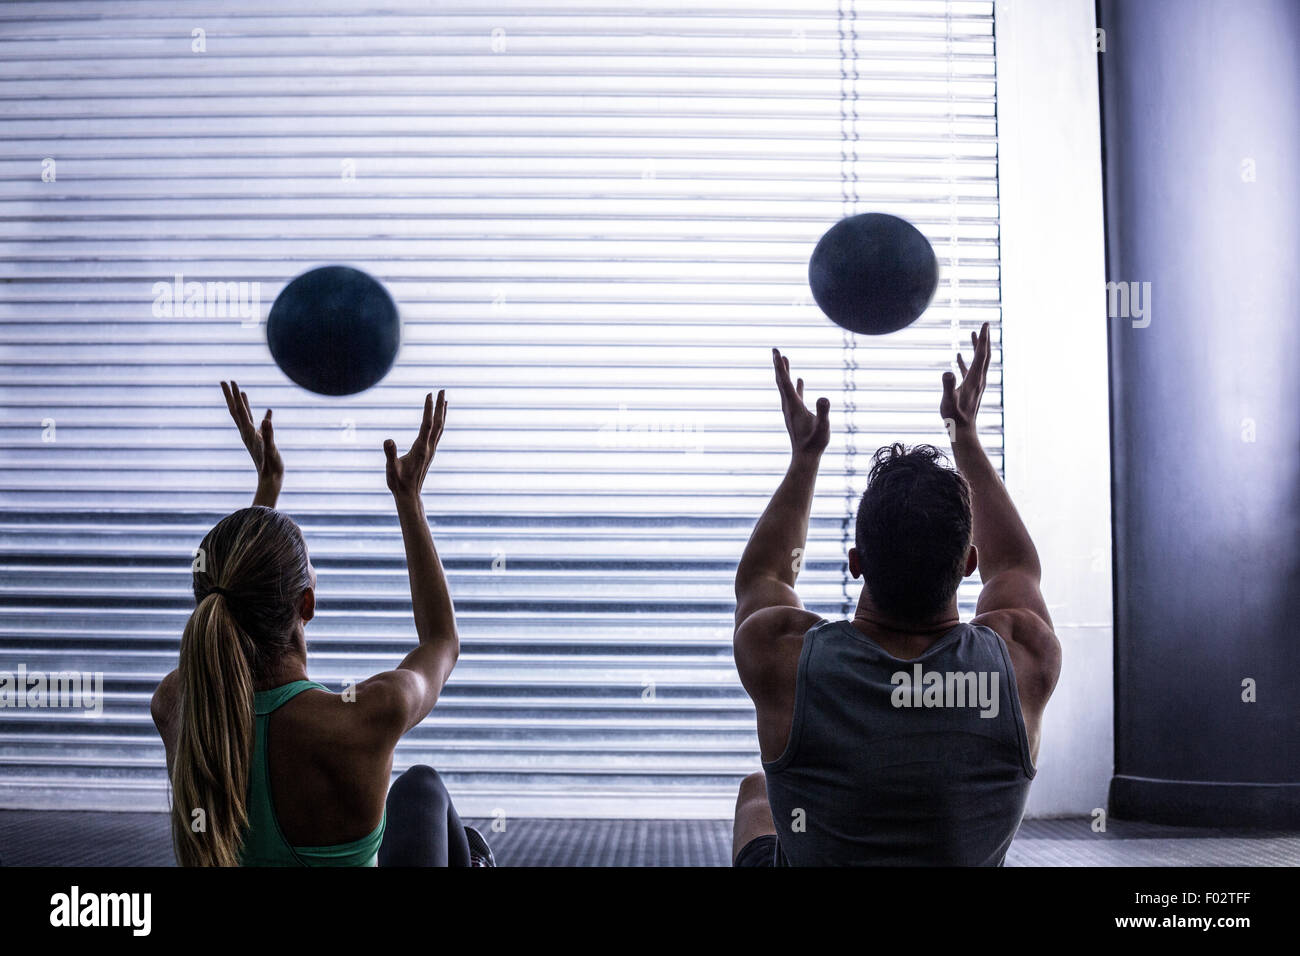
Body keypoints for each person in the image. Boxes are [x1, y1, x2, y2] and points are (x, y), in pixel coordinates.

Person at [731, 323, 1061, 866]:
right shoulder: (1025, 658)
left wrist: (806, 455)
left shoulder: (783, 656)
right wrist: (963, 433)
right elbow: (1017, 566)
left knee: (756, 794)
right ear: (967, 563)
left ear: (856, 565)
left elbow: (764, 579)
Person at [150, 382, 493, 867]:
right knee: (421, 789)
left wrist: (267, 486)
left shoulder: (178, 707)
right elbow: (442, 641)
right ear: (306, 604)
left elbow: (228, 599)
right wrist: (408, 497)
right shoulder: (363, 718)